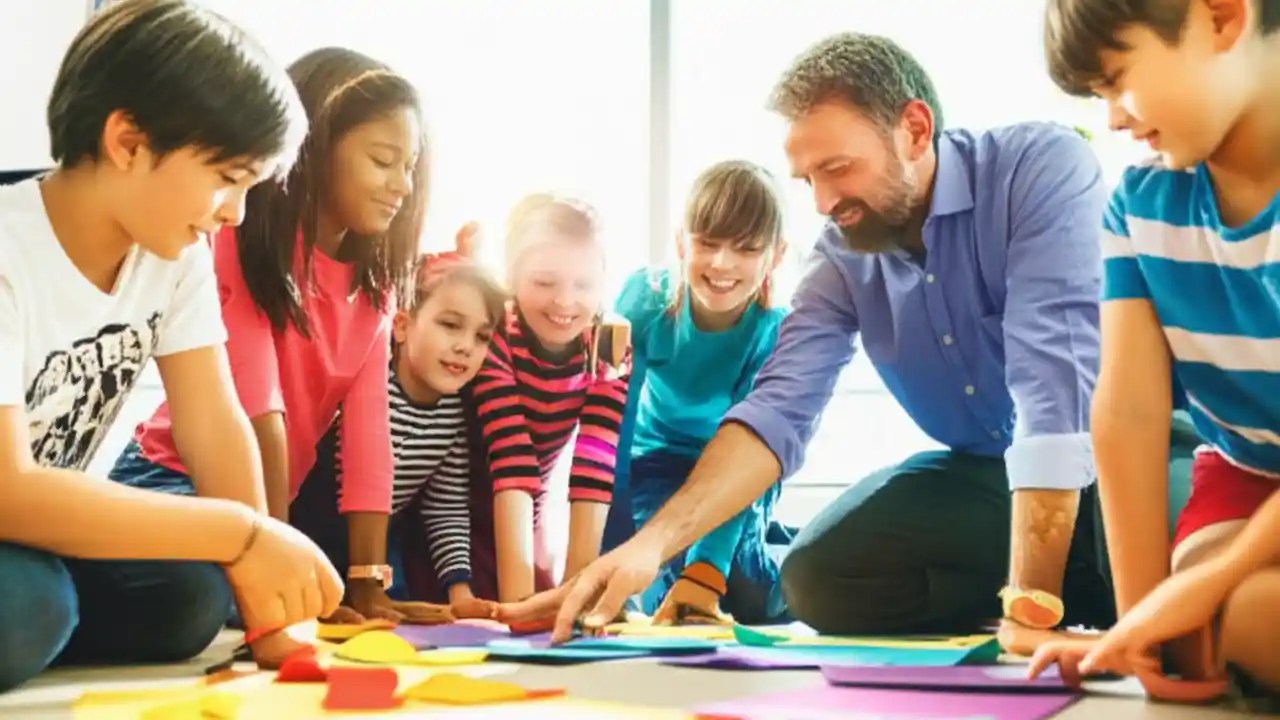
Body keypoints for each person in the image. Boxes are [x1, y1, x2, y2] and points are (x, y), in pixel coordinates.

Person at [502, 31, 1197, 645]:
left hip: (1125, 458)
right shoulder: (841, 254)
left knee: (1190, 578)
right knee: (816, 577)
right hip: (984, 479)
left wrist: (1030, 605)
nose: (823, 203)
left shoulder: (1037, 167)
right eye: (808, 179)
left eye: (836, 169)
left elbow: (1054, 387)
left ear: (914, 130)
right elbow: (777, 411)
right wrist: (645, 550)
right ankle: (1082, 589)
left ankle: (1075, 587)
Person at [0, 0, 341, 692]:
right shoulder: (10, 250)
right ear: (129, 142)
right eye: (227, 179)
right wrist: (242, 533)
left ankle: (47, 617)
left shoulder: (173, 255)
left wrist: (267, 610)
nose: (234, 214)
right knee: (27, 609)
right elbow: (9, 490)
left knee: (191, 596)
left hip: (38, 530)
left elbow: (213, 422)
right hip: (12, 505)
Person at [110, 46, 433, 662]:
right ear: (313, 149)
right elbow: (262, 410)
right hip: (173, 479)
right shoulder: (243, 240)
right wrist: (274, 565)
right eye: (383, 161)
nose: (402, 184)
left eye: (410, 166)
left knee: (314, 587)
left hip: (264, 503)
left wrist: (370, 582)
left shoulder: (374, 287)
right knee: (200, 599)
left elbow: (371, 436)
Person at [1027, 0, 1280, 704]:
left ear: (1223, 16)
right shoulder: (1141, 207)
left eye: (1116, 79)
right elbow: (1129, 412)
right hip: (1246, 473)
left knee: (1247, 612)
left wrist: (1205, 585)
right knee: (1204, 635)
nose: (1111, 118)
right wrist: (1142, 629)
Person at [408, 194, 629, 604]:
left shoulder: (610, 345)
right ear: (510, 276)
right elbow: (512, 460)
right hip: (453, 512)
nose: (565, 301)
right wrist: (519, 608)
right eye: (544, 283)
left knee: (559, 605)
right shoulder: (498, 331)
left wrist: (573, 594)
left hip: (523, 519)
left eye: (584, 285)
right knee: (489, 611)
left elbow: (592, 474)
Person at [606, 160, 789, 625]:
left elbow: (747, 452)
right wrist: (616, 545)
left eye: (746, 249)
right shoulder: (644, 300)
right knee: (656, 585)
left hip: (735, 470)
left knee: (743, 592)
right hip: (655, 461)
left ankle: (774, 547)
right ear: (681, 242)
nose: (723, 264)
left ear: (776, 255)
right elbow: (614, 429)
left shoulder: (772, 333)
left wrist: (707, 571)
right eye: (707, 243)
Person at [294, 230, 506, 620]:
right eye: (450, 325)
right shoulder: (369, 389)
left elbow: (446, 505)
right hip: (311, 533)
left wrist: (460, 591)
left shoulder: (454, 413)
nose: (465, 346)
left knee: (405, 614)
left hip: (377, 552)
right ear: (403, 325)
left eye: (481, 336)